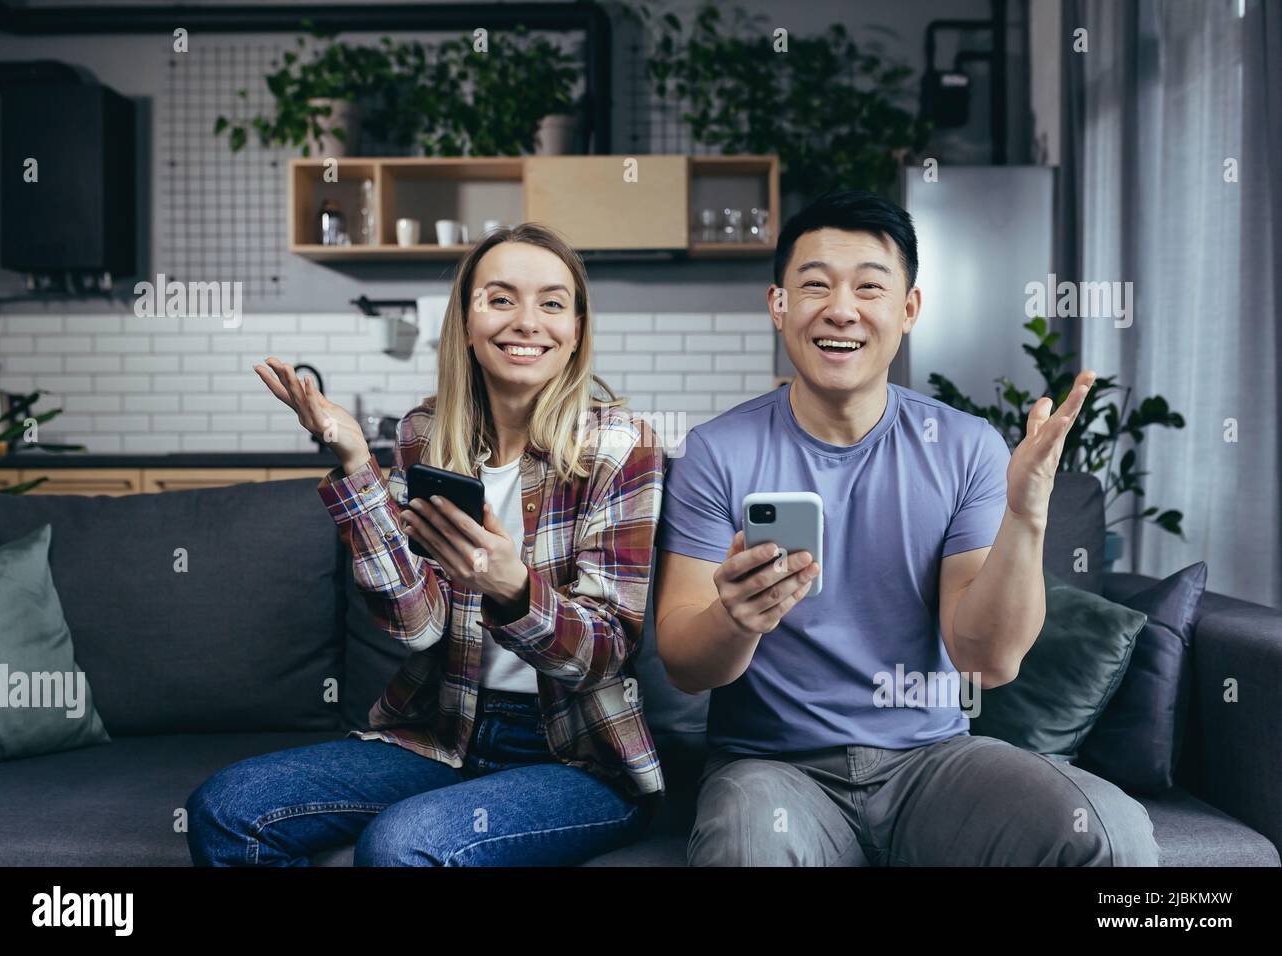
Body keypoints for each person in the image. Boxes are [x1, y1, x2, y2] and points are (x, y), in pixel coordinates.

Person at [653, 189, 1160, 866]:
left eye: (870, 287)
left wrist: (1025, 516)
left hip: (932, 763)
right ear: (779, 306)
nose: (841, 309)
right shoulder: (716, 452)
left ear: (909, 310)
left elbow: (991, 659)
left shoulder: (965, 446)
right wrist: (737, 617)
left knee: (1109, 834)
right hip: (774, 770)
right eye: (814, 285)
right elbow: (686, 666)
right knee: (746, 848)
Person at [186, 223, 664, 866]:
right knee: (229, 808)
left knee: (401, 846)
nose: (527, 321)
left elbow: (603, 654)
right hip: (445, 734)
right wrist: (357, 465)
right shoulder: (424, 435)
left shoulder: (620, 445)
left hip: (581, 759)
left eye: (552, 303)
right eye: (500, 299)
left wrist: (513, 589)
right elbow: (418, 625)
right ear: (465, 321)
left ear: (575, 330)